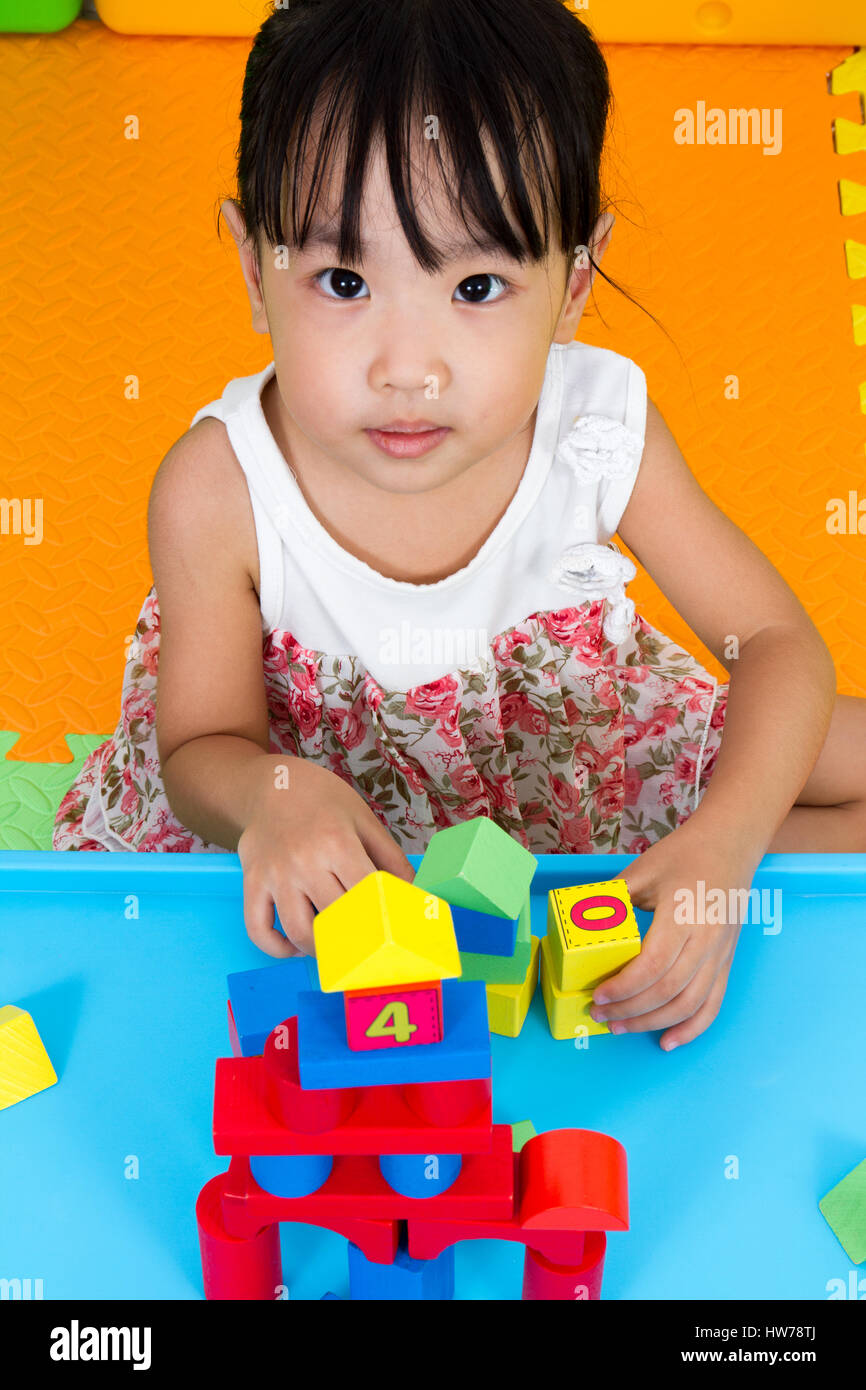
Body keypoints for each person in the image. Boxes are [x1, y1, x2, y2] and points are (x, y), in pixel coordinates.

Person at [53, 0, 866, 1050]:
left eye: (476, 285)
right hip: (332, 818)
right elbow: (203, 744)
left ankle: (638, 888)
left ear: (572, 282)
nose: (408, 369)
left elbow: (769, 644)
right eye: (343, 281)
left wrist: (723, 848)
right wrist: (269, 797)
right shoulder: (216, 486)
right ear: (255, 268)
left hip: (556, 753)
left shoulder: (594, 428)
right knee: (160, 960)